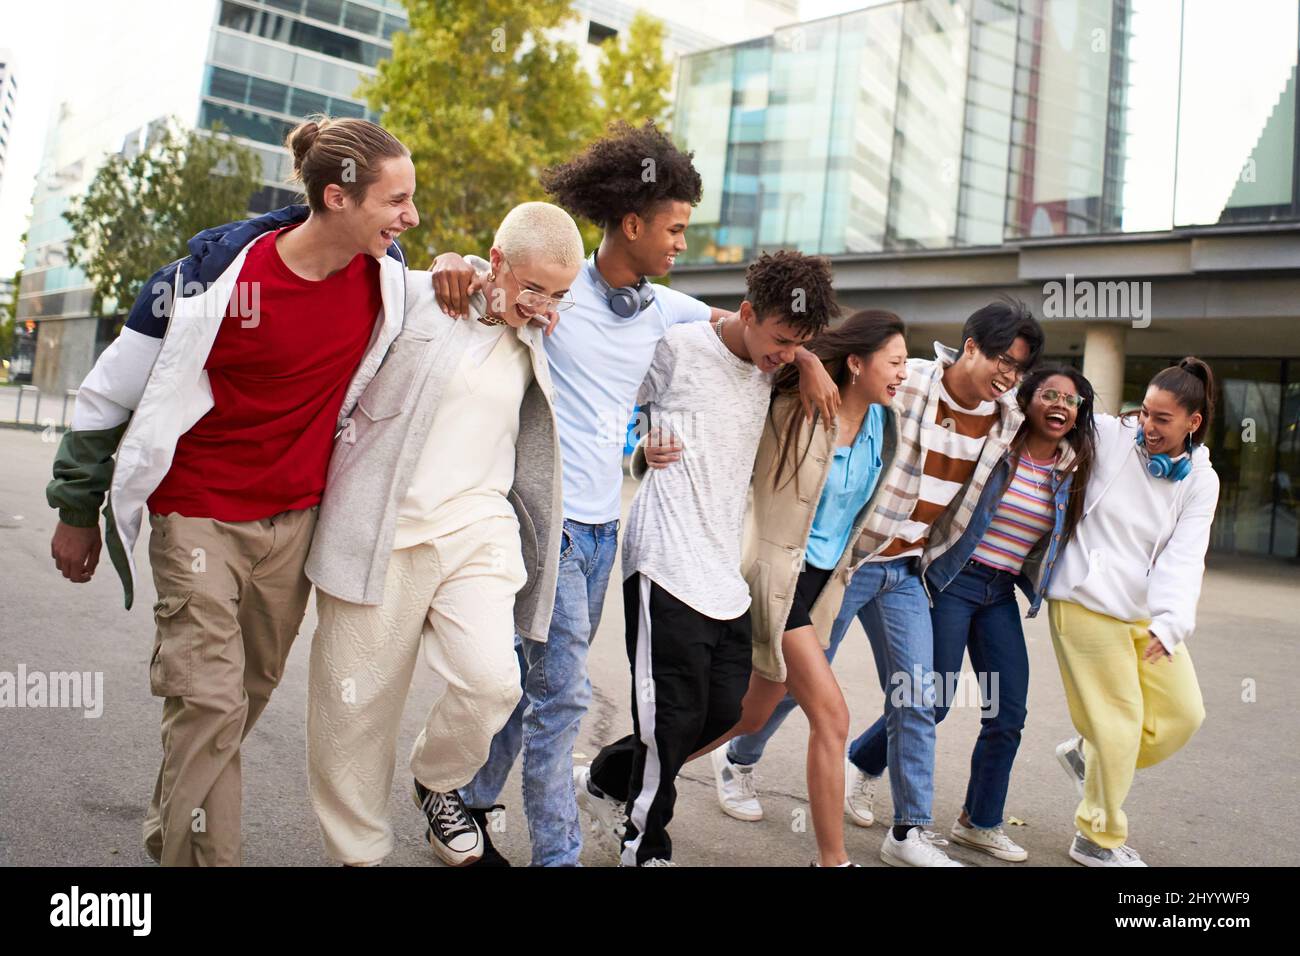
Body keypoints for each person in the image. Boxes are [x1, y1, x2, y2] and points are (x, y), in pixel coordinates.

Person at [429, 121, 838, 866]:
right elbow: (482, 284)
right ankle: (557, 854)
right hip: (541, 522)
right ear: (632, 223)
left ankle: (468, 801)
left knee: (530, 690)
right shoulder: (558, 290)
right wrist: (452, 262)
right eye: (675, 229)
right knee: (563, 701)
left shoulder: (663, 311)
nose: (682, 243)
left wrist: (806, 360)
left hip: (599, 534)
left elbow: (740, 328)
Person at [45, 116, 418, 865]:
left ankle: (173, 824)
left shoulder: (387, 280)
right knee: (209, 700)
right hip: (200, 514)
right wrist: (75, 510)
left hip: (295, 523)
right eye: (396, 200)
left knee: (235, 702)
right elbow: (106, 397)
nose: (410, 216)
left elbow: (459, 308)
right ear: (338, 199)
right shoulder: (210, 283)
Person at [302, 202, 581, 867]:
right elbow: (340, 259)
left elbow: (662, 309)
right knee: (354, 711)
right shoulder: (424, 296)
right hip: (380, 531)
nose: (543, 305)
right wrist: (440, 267)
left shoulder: (536, 333)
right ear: (498, 261)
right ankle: (360, 852)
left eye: (559, 293)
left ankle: (440, 781)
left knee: (494, 681)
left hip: (479, 530)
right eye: (533, 286)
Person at [574, 251, 834, 866]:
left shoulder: (779, 368)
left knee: (723, 709)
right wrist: (641, 446)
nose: (786, 353)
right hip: (664, 556)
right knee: (672, 717)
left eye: (799, 344)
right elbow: (609, 402)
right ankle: (645, 843)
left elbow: (829, 360)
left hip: (721, 568)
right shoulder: (679, 347)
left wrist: (811, 360)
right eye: (780, 339)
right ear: (747, 313)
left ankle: (605, 782)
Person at [691, 310, 908, 867]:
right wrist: (653, 452)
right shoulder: (795, 406)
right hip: (776, 578)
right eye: (896, 362)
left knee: (745, 718)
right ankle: (831, 861)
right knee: (832, 717)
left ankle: (613, 775)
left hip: (820, 588)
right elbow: (727, 428)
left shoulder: (886, 425)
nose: (904, 374)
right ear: (856, 363)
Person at [912, 364, 1096, 862]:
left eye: (1072, 400)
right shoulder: (998, 443)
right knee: (934, 701)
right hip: (954, 578)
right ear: (1028, 399)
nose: (1061, 405)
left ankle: (979, 821)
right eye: (1051, 395)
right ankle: (861, 767)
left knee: (1007, 712)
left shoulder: (1075, 465)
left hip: (999, 593)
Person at [1046, 358, 1218, 867]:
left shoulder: (1200, 480)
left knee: (1183, 715)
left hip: (1143, 612)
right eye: (1144, 413)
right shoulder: (1108, 436)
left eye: (1163, 419)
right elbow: (1045, 411)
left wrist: (1170, 621)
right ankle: (1096, 837)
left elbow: (1186, 555)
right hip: (1084, 599)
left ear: (1193, 422)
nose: (1148, 426)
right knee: (1119, 726)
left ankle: (1087, 756)